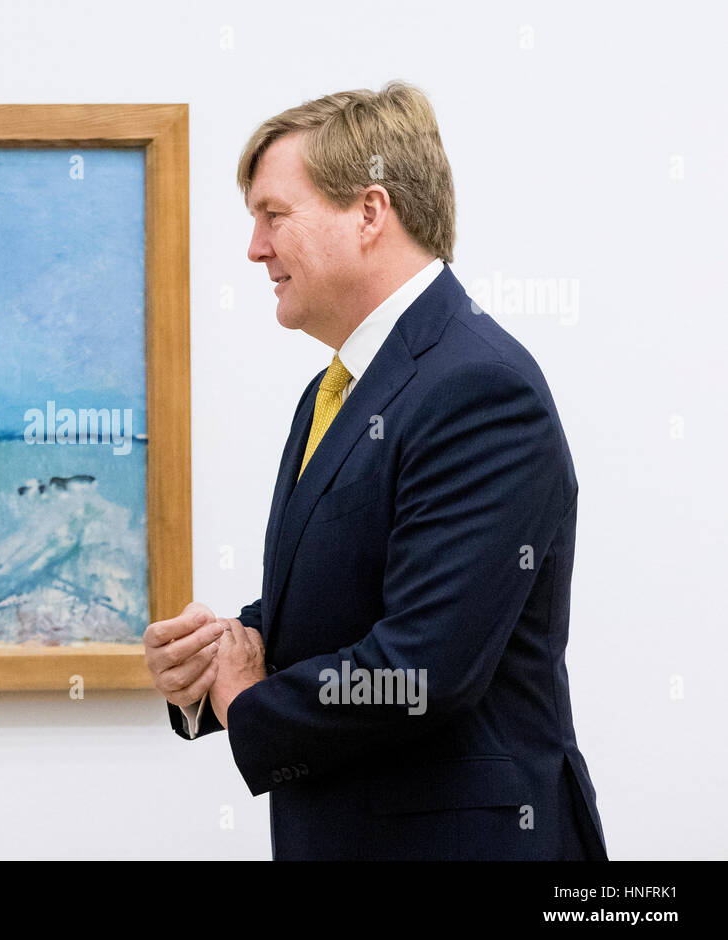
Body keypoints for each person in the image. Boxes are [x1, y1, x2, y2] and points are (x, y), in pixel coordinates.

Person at [144, 81, 607, 860]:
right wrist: (220, 650)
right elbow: (346, 600)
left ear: (369, 212)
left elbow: (421, 669)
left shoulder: (480, 385)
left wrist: (247, 701)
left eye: (273, 215)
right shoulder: (334, 389)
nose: (254, 248)